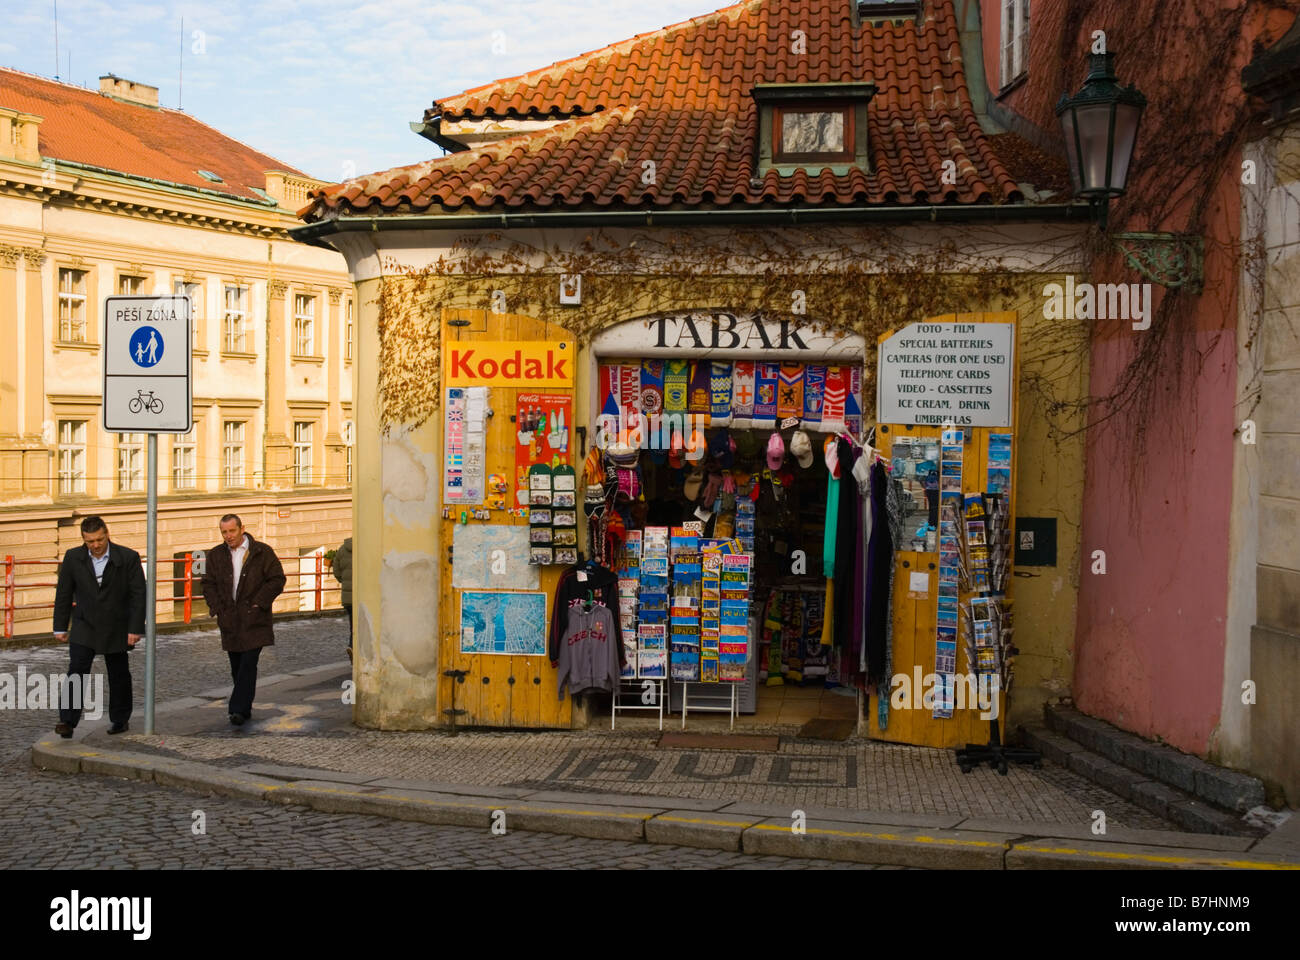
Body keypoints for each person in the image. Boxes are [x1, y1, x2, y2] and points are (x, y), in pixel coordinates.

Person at [51, 516, 145, 737]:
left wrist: (135, 628)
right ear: (83, 539)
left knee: (119, 674)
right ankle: (67, 721)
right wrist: (60, 626)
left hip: (117, 625)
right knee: (76, 670)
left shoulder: (128, 557)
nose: (95, 545)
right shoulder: (73, 557)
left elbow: (138, 595)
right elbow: (63, 593)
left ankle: (120, 719)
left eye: (99, 540)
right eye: (90, 541)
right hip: (85, 625)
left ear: (107, 534)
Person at [200, 514, 285, 726]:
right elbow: (207, 583)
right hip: (230, 619)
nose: (228, 536)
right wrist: (217, 607)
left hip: (255, 619)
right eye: (224, 532)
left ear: (241, 529)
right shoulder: (216, 555)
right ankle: (244, 708)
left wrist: (259, 603)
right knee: (237, 666)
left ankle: (236, 709)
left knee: (248, 663)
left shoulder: (261, 551)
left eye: (232, 531)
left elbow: (277, 579)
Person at [332, 536, 352, 661]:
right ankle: (353, 646)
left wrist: (344, 581)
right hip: (362, 596)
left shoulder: (342, 550)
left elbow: (336, 571)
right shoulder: (364, 548)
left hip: (347, 597)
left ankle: (352, 646)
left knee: (352, 623)